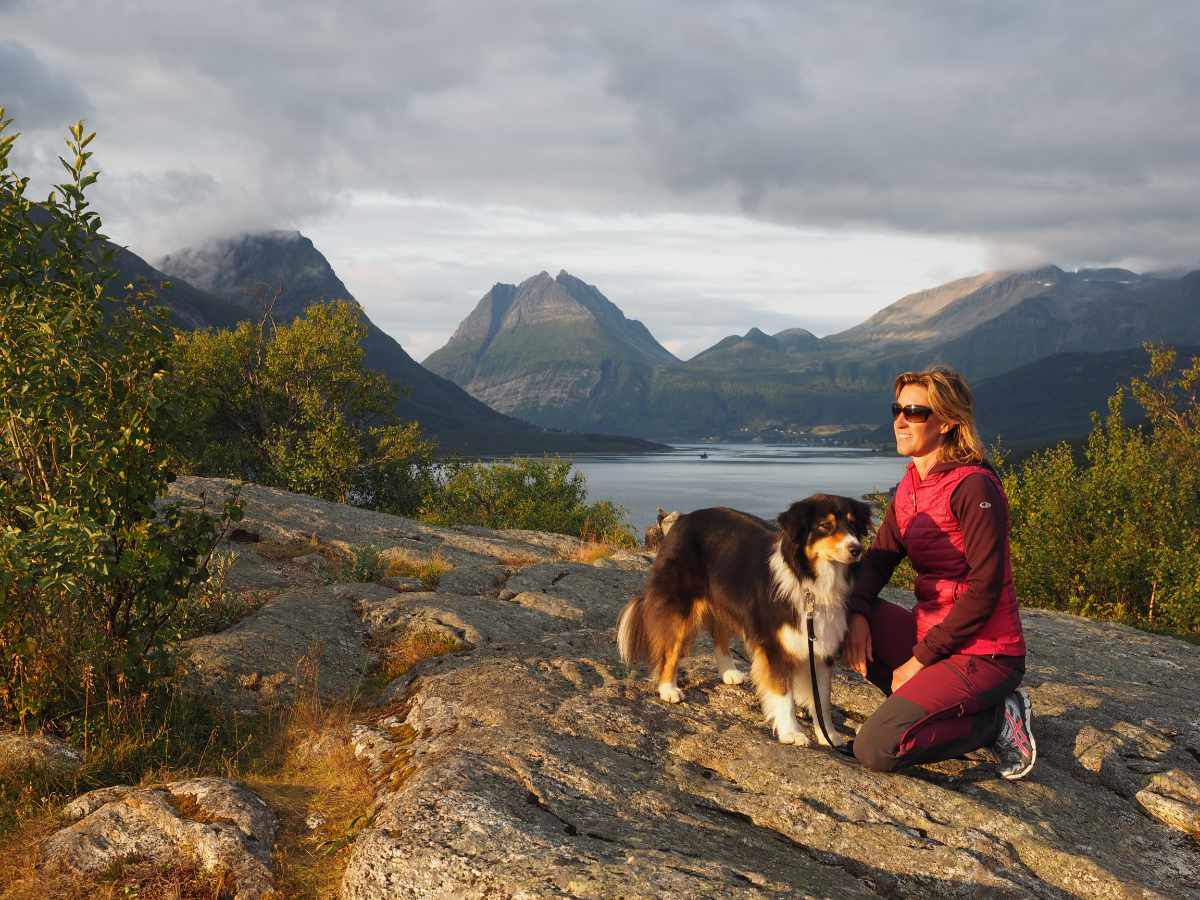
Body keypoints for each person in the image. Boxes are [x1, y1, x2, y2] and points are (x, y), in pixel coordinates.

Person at [843, 366, 1036, 779]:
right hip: (933, 638)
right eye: (897, 409)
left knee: (875, 747)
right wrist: (857, 613)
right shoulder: (912, 483)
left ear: (947, 422)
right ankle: (936, 707)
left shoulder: (974, 487)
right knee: (835, 614)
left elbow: (986, 588)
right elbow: (878, 559)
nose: (899, 420)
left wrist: (919, 660)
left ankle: (996, 720)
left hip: (985, 653)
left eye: (914, 412)